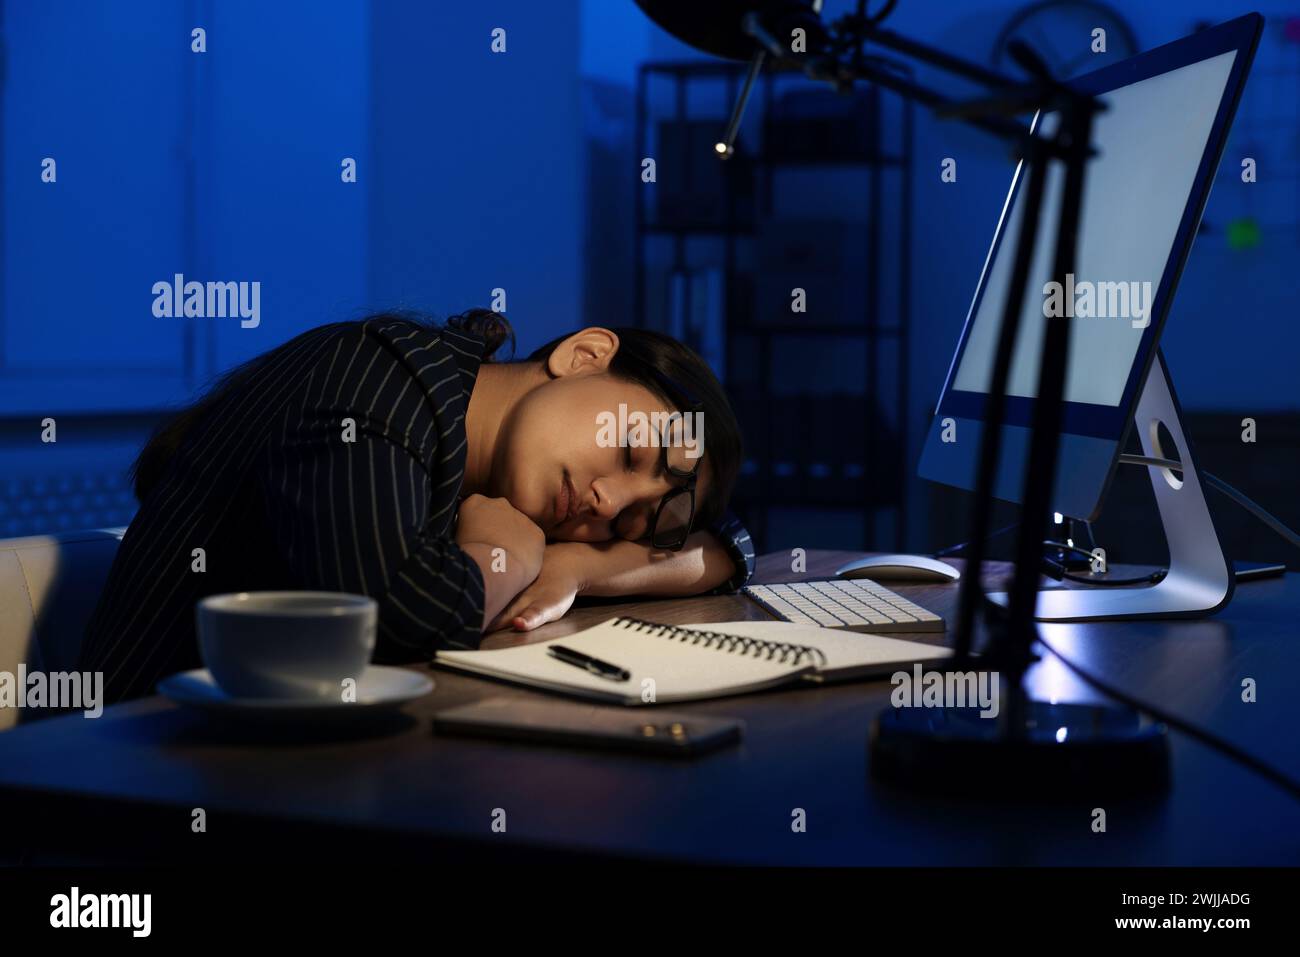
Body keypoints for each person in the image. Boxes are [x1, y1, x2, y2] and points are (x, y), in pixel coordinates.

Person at [78, 309, 754, 703]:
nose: (608, 503)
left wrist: (578, 567)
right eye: (632, 453)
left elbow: (728, 544)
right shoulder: (379, 379)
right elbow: (391, 624)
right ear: (584, 355)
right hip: (130, 804)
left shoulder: (468, 442)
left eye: (631, 523)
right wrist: (509, 556)